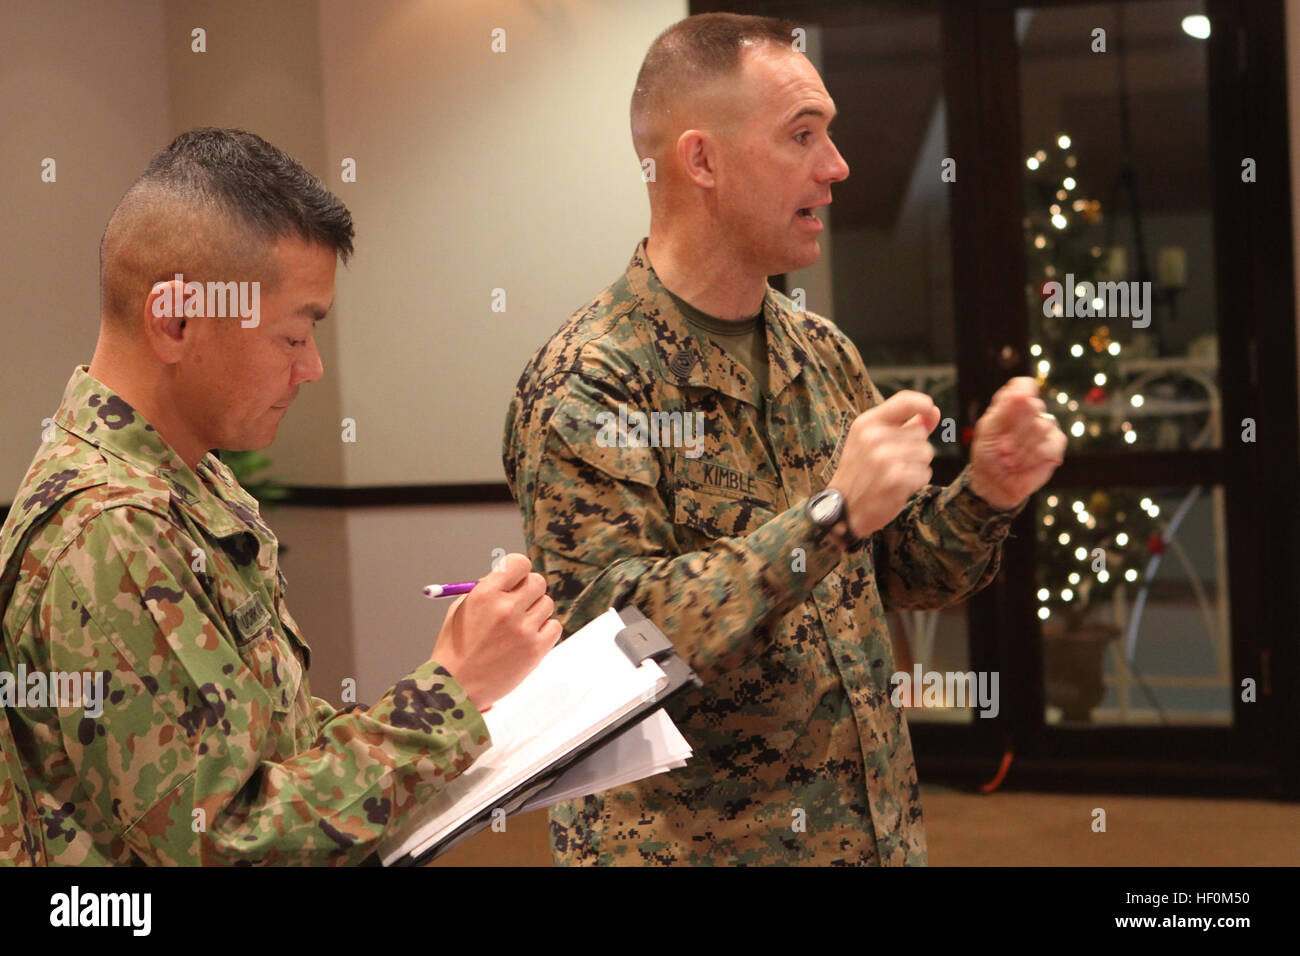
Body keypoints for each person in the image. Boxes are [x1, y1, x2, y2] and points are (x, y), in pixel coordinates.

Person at [503, 13, 1066, 866]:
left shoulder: (822, 350)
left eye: (829, 135)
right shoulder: (593, 377)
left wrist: (988, 489)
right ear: (702, 161)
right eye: (803, 135)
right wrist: (828, 518)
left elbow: (900, 569)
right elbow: (612, 649)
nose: (836, 167)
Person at [0, 128, 560, 866]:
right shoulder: (112, 531)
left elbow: (264, 749)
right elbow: (228, 845)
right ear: (176, 320)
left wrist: (456, 693)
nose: (313, 368)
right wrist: (450, 692)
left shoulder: (185, 477)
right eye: (292, 337)